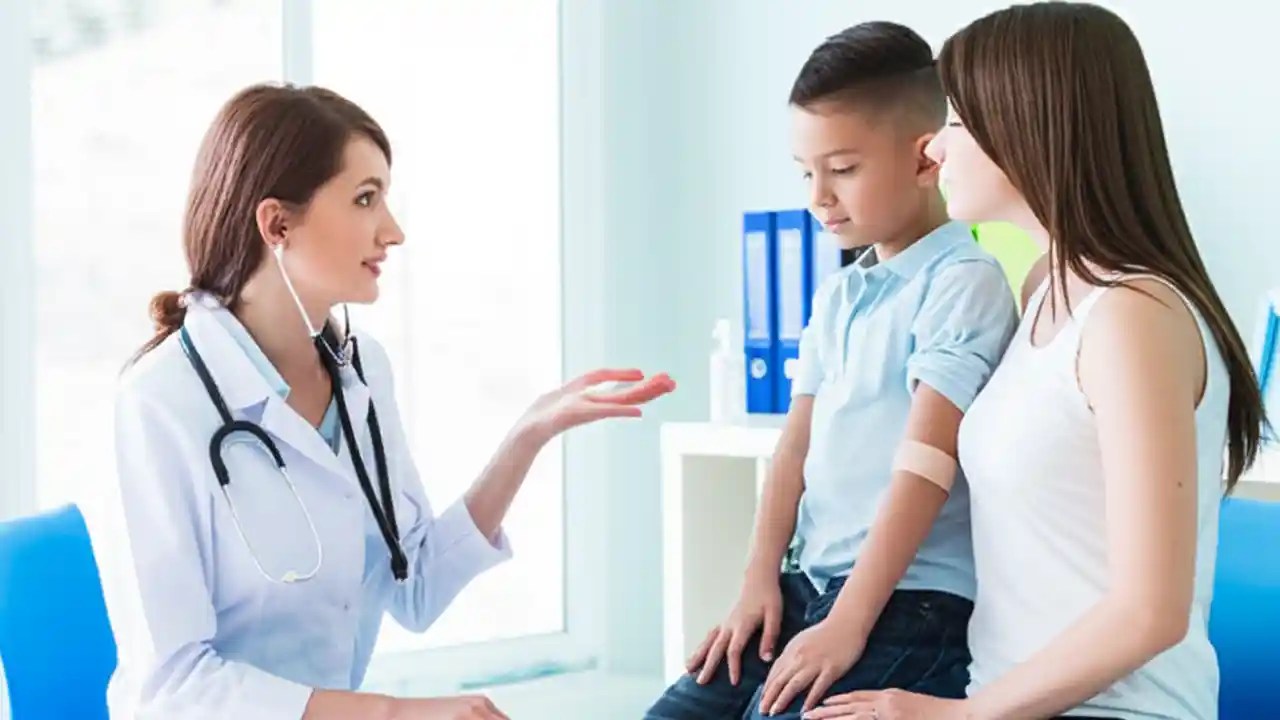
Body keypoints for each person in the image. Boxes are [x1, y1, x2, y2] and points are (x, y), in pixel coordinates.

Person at [90, 83, 675, 720]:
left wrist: (528, 435)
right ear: (277, 224)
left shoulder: (360, 369)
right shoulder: (161, 402)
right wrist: (396, 714)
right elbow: (175, 688)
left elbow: (415, 583)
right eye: (366, 199)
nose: (392, 231)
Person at [813, 4, 1267, 720]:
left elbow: (1151, 612)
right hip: (1000, 698)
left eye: (956, 122)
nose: (931, 150)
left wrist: (957, 717)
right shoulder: (1040, 291)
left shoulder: (1131, 316)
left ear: (1030, 124)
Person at [644, 22, 1017, 720]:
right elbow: (794, 451)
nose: (818, 195)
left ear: (925, 160)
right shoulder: (838, 292)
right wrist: (757, 581)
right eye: (805, 171)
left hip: (913, 600)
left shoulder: (964, 280)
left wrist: (846, 622)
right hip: (807, 586)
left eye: (842, 169)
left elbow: (925, 465)